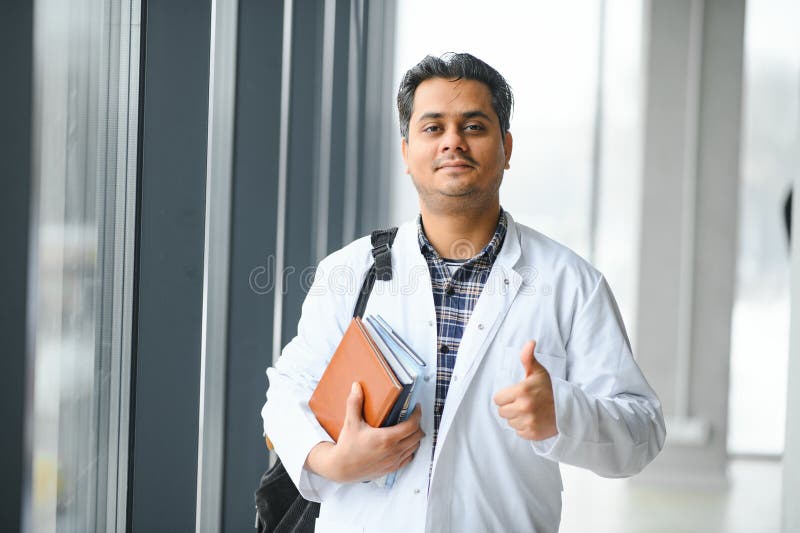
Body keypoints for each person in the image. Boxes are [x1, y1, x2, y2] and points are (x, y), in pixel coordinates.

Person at [261, 52, 665, 533]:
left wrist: (563, 414)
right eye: (433, 128)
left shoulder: (570, 283)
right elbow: (287, 393)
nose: (453, 141)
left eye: (474, 126)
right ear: (407, 151)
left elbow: (643, 431)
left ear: (506, 147)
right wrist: (332, 461)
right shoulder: (350, 272)